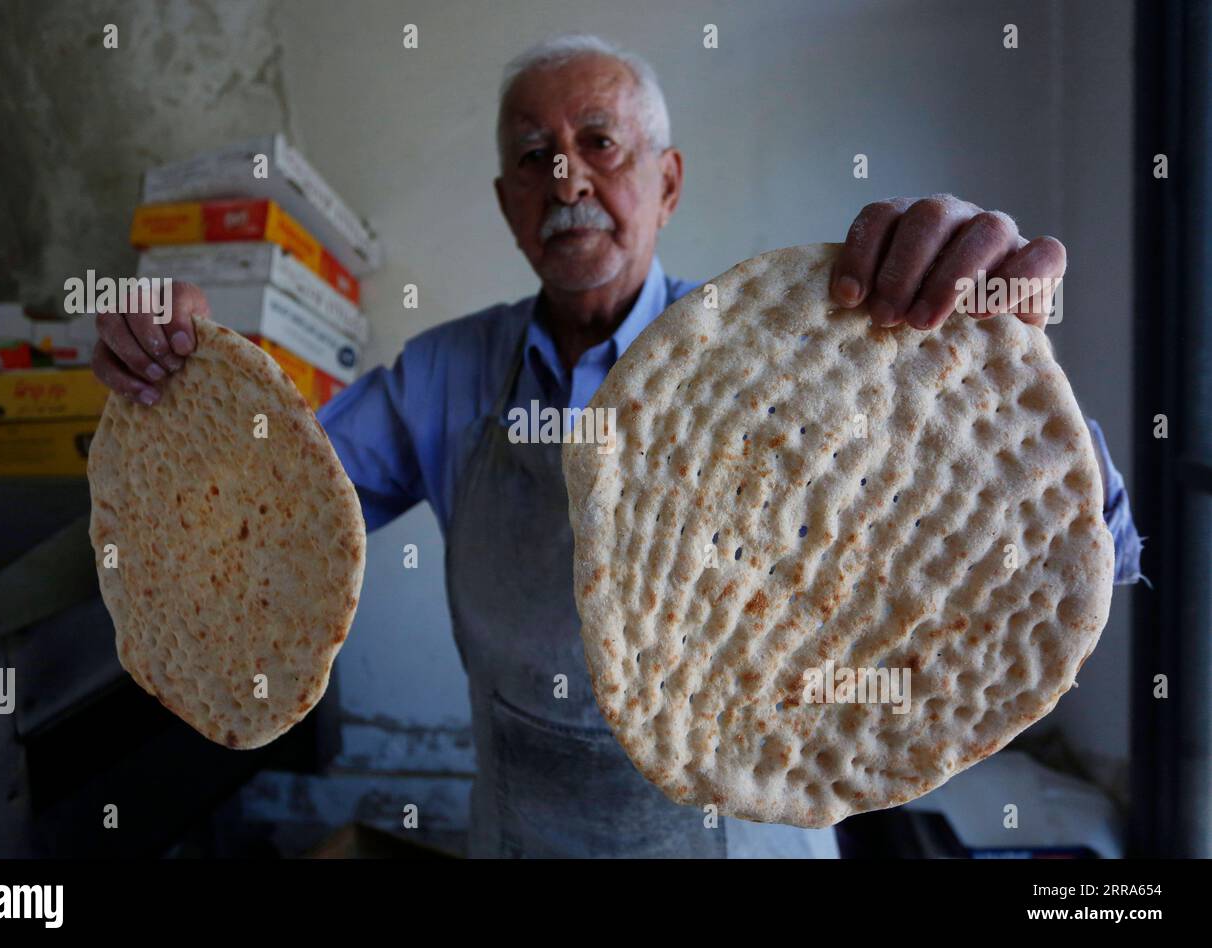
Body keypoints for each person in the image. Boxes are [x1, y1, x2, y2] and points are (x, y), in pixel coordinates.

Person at [92, 34, 1142, 858]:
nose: (567, 180)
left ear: (668, 181)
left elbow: (1064, 552)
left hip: (758, 833)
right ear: (507, 204)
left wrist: (998, 393)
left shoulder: (815, 357)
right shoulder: (441, 379)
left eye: (600, 142)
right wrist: (178, 385)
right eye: (531, 158)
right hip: (523, 835)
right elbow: (257, 525)